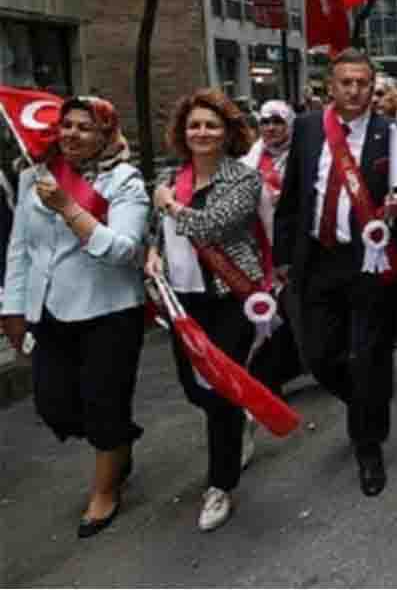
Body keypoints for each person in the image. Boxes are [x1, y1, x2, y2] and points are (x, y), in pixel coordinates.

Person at [2, 96, 148, 538]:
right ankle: (117, 441)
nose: (72, 134)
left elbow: (124, 250)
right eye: (66, 125)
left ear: (105, 133)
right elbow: (21, 249)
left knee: (105, 402)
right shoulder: (34, 175)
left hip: (110, 310)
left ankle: (106, 487)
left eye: (85, 127)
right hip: (50, 310)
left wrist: (70, 208)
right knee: (55, 406)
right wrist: (11, 306)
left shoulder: (125, 181)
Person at [274, 48, 397, 497]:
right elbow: (292, 194)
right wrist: (283, 259)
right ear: (332, 85)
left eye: (362, 83)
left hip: (367, 262)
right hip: (317, 259)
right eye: (346, 82)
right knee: (319, 357)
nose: (354, 90)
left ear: (374, 87)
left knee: (367, 357)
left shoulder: (392, 135)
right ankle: (367, 403)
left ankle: (368, 445)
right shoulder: (309, 128)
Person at [144, 89, 266, 531]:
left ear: (228, 132)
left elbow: (213, 225)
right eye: (194, 125)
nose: (202, 132)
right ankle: (240, 418)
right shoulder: (172, 176)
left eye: (211, 125)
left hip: (228, 295)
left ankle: (220, 485)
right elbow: (159, 230)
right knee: (196, 389)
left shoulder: (242, 179)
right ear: (182, 132)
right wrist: (153, 251)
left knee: (219, 391)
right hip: (182, 298)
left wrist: (170, 206)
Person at [238, 100, 306, 457]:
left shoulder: (301, 156)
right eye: (264, 122)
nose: (270, 129)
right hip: (258, 249)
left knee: (291, 313)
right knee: (267, 317)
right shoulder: (249, 160)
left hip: (293, 247)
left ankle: (286, 368)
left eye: (278, 122)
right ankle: (269, 380)